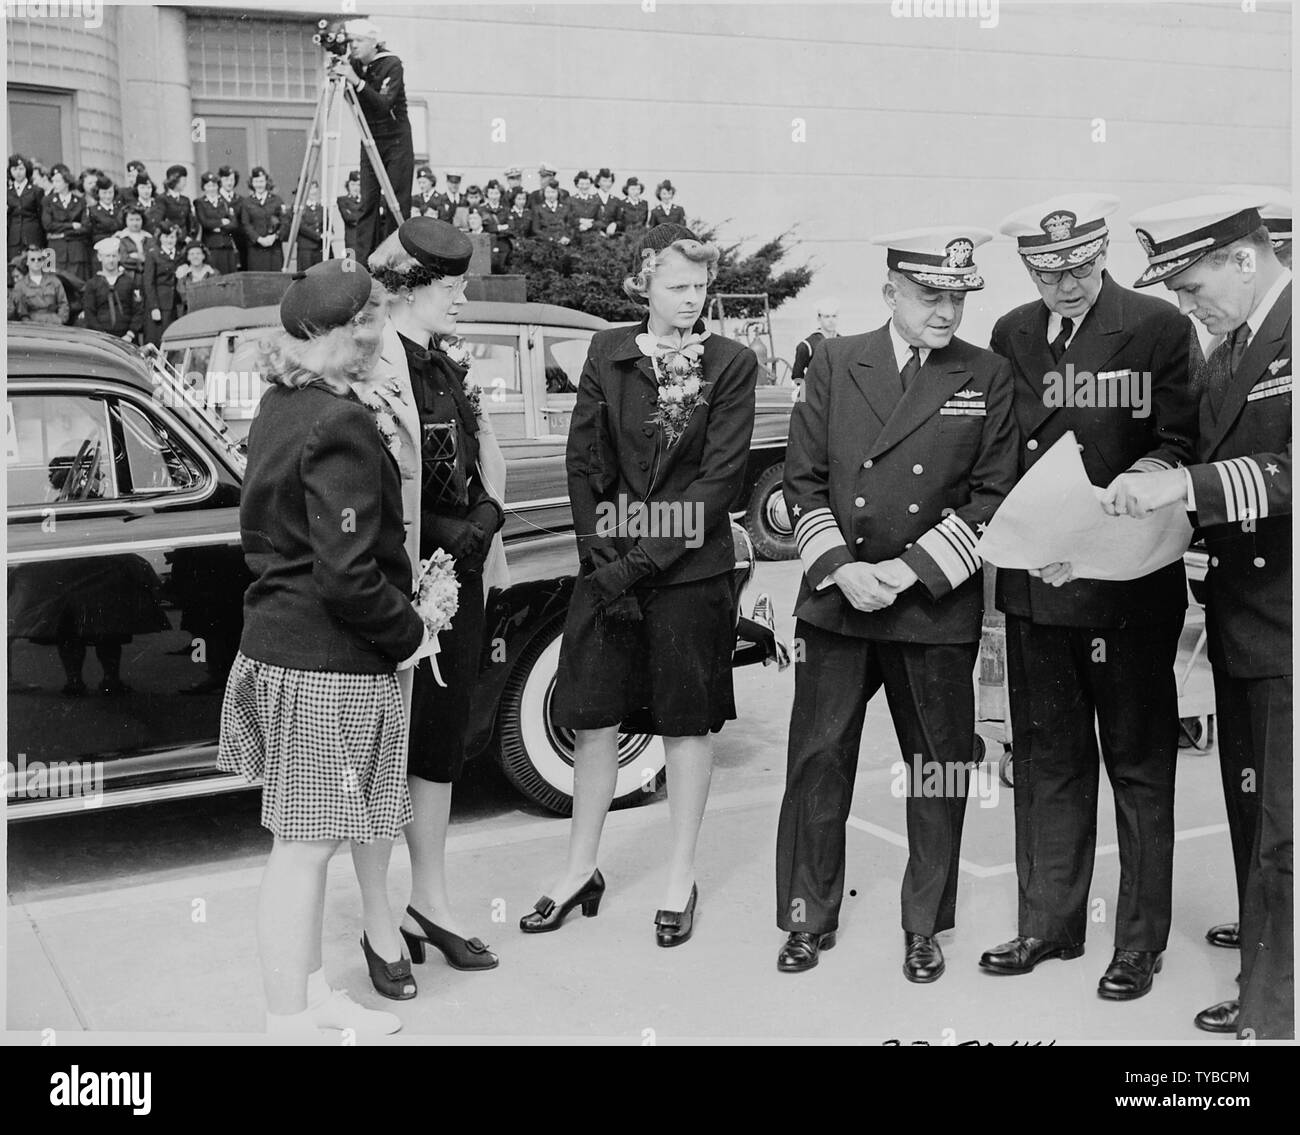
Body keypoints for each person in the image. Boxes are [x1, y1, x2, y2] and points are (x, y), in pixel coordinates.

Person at [774, 227, 1019, 981]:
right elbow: (802, 481)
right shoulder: (836, 361)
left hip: (930, 603)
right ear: (890, 293)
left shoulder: (987, 372)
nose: (945, 312)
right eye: (928, 297)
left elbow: (993, 495)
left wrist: (908, 572)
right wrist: (841, 569)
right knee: (818, 761)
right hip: (839, 600)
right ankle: (806, 917)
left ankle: (925, 924)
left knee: (938, 769)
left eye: (956, 298)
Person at [978, 194, 1196, 1000]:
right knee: (1047, 762)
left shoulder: (1157, 326)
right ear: (1028, 269)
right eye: (1048, 272)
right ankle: (1049, 923)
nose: (1066, 284)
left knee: (1137, 764)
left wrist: (1105, 519)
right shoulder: (1010, 332)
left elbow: (1181, 441)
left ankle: (1137, 942)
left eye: (1078, 267)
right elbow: (1003, 447)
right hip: (1038, 580)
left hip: (1125, 581)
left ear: (1101, 255)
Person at [521, 224, 758, 946]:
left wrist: (638, 563)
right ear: (643, 285)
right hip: (611, 566)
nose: (691, 299)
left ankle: (680, 875)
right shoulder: (608, 351)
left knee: (685, 724)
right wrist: (601, 558)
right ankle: (579, 870)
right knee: (592, 718)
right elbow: (584, 460)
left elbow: (719, 482)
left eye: (701, 287)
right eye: (677, 286)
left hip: (688, 572)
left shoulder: (731, 362)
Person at [217, 258, 428, 1037]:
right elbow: (346, 573)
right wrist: (410, 631)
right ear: (341, 334)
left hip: (283, 647)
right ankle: (287, 1020)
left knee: (302, 843)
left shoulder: (282, 403)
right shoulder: (340, 422)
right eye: (370, 324)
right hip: (326, 663)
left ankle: (309, 998)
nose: (381, 338)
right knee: (305, 850)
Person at [1106, 196, 1292, 1040]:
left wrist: (1183, 485)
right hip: (1245, 619)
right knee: (1254, 809)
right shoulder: (1231, 348)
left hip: (1287, 622)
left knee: (1285, 825)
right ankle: (1266, 939)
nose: (1187, 306)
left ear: (1245, 259)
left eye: (1192, 285)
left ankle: (1273, 1009)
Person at [357, 217, 509, 976]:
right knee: (384, 751)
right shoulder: (371, 364)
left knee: (439, 744)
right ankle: (377, 920)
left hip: (457, 582)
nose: (462, 300)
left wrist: (485, 513)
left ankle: (431, 901)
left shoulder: (446, 364)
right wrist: (449, 527)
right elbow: (369, 484)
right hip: (396, 589)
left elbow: (473, 461)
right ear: (410, 288)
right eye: (451, 287)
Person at [333, 18, 413, 262]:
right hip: (369, 137)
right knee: (367, 202)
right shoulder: (354, 64)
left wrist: (356, 81)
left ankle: (394, 260)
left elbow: (384, 104)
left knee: (395, 201)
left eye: (359, 40)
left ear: (373, 42)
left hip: (395, 140)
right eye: (351, 41)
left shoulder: (392, 64)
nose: (353, 45)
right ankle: (363, 262)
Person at [81, 237, 143, 342]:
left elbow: (138, 310)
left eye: (114, 256)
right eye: (107, 256)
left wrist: (130, 334)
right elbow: (90, 313)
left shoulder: (129, 282)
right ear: (100, 257)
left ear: (119, 257)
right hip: (102, 339)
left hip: (128, 338)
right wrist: (102, 336)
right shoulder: (92, 284)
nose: (111, 260)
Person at [41, 164, 89, 281]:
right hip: (54, 249)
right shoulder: (48, 201)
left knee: (77, 283)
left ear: (67, 182)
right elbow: (48, 225)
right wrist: (71, 225)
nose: (54, 184)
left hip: (76, 251)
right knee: (51, 283)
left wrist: (63, 233)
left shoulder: (80, 201)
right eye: (53, 181)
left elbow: (85, 227)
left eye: (58, 181)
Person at [143, 222, 183, 346]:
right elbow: (148, 282)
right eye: (166, 237)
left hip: (176, 305)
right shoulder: (153, 254)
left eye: (172, 237)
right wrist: (154, 307)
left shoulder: (180, 255)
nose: (169, 240)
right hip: (160, 304)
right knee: (157, 340)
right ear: (160, 238)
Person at [241, 167, 287, 272]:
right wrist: (259, 239)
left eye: (261, 181)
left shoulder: (277, 200)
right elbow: (246, 224)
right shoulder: (247, 202)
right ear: (252, 183)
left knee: (275, 278)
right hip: (256, 249)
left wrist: (275, 236)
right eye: (256, 182)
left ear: (266, 182)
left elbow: (285, 222)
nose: (259, 185)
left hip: (274, 248)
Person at [10, 244, 68, 325]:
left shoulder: (54, 281)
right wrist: (28, 324)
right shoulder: (20, 286)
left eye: (39, 259)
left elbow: (63, 303)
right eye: (32, 259)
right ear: (27, 262)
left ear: (43, 262)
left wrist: (61, 319)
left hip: (54, 322)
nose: (36, 262)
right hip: (33, 324)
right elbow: (22, 312)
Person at [195, 170, 238, 274]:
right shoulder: (200, 203)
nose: (212, 189)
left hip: (227, 244)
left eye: (214, 185)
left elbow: (234, 224)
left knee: (230, 275)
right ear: (204, 187)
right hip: (211, 246)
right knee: (215, 275)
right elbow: (205, 223)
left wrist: (219, 227)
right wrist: (221, 222)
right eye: (208, 186)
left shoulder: (224, 202)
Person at [791, 298, 840, 388]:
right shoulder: (807, 345)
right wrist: (804, 395)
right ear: (819, 319)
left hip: (837, 392)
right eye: (827, 317)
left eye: (834, 316)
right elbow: (797, 376)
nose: (831, 320)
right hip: (816, 392)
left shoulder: (843, 342)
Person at [8, 154, 45, 263]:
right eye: (14, 169)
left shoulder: (36, 191)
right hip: (13, 237)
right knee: (14, 266)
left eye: (21, 169)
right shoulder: (7, 192)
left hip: (33, 235)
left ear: (27, 170)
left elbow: (41, 215)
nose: (18, 172)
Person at [86, 177, 123, 270]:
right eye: (104, 193)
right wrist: (112, 237)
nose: (108, 196)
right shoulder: (92, 211)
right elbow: (91, 234)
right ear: (98, 193)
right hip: (101, 252)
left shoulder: (121, 209)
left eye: (110, 192)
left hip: (120, 252)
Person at [115, 207, 155, 290]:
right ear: (125, 220)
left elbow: (153, 258)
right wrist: (142, 260)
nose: (135, 223)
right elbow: (124, 259)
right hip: (128, 276)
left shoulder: (149, 237)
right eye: (131, 220)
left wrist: (136, 256)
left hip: (147, 277)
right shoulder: (120, 238)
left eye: (138, 220)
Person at [174, 241, 220, 314]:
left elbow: (217, 295)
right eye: (192, 254)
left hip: (210, 312)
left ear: (203, 256)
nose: (195, 257)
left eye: (198, 253)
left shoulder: (213, 273)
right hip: (190, 313)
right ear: (188, 257)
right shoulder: (183, 275)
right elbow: (184, 297)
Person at [217, 165, 245, 269]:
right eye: (226, 179)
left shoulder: (240, 200)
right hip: (221, 243)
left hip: (239, 243)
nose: (229, 183)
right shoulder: (215, 199)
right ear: (220, 180)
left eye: (232, 180)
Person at [160, 165, 197, 241]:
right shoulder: (162, 199)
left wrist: (189, 236)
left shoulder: (185, 200)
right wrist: (181, 237)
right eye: (183, 180)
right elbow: (161, 221)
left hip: (186, 240)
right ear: (175, 180)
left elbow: (189, 221)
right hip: (170, 239)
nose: (185, 183)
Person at [529, 180, 571, 244]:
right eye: (548, 192)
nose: (550, 195)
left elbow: (569, 225)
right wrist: (551, 238)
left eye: (553, 192)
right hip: (545, 242)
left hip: (564, 241)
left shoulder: (565, 207)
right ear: (543, 193)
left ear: (558, 192)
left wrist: (566, 237)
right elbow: (536, 229)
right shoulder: (538, 208)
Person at [295, 180, 325, 270]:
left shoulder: (321, 208)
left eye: (315, 188)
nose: (313, 191)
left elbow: (326, 224)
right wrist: (319, 236)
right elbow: (302, 227)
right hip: (306, 249)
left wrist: (330, 233)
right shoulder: (298, 207)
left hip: (319, 248)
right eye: (310, 188)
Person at [336, 169, 364, 260]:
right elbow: (348, 218)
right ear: (348, 185)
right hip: (352, 241)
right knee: (351, 265)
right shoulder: (343, 200)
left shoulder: (366, 200)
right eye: (353, 184)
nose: (356, 188)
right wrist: (364, 216)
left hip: (366, 239)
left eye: (358, 185)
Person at [568, 170, 601, 238]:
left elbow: (600, 221)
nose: (584, 186)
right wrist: (580, 221)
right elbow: (568, 219)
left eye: (587, 184)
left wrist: (591, 225)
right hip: (576, 235)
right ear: (577, 184)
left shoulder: (596, 200)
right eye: (581, 184)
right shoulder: (570, 200)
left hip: (593, 236)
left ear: (591, 184)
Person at [594, 168, 621, 237]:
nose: (607, 184)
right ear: (598, 182)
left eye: (610, 181)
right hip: (594, 237)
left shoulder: (616, 200)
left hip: (612, 237)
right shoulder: (591, 199)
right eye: (604, 181)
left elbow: (620, 220)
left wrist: (614, 224)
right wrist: (598, 231)